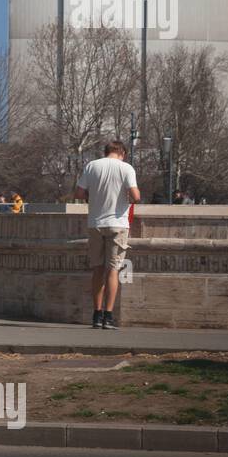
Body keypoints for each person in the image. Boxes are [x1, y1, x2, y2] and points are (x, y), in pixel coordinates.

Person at [75, 139, 140, 331]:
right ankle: (108, 317)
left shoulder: (92, 166)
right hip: (118, 224)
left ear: (106, 152)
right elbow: (136, 196)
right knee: (113, 270)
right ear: (122, 153)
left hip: (95, 223)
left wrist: (92, 196)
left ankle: (96, 315)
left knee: (97, 270)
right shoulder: (126, 168)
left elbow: (78, 194)